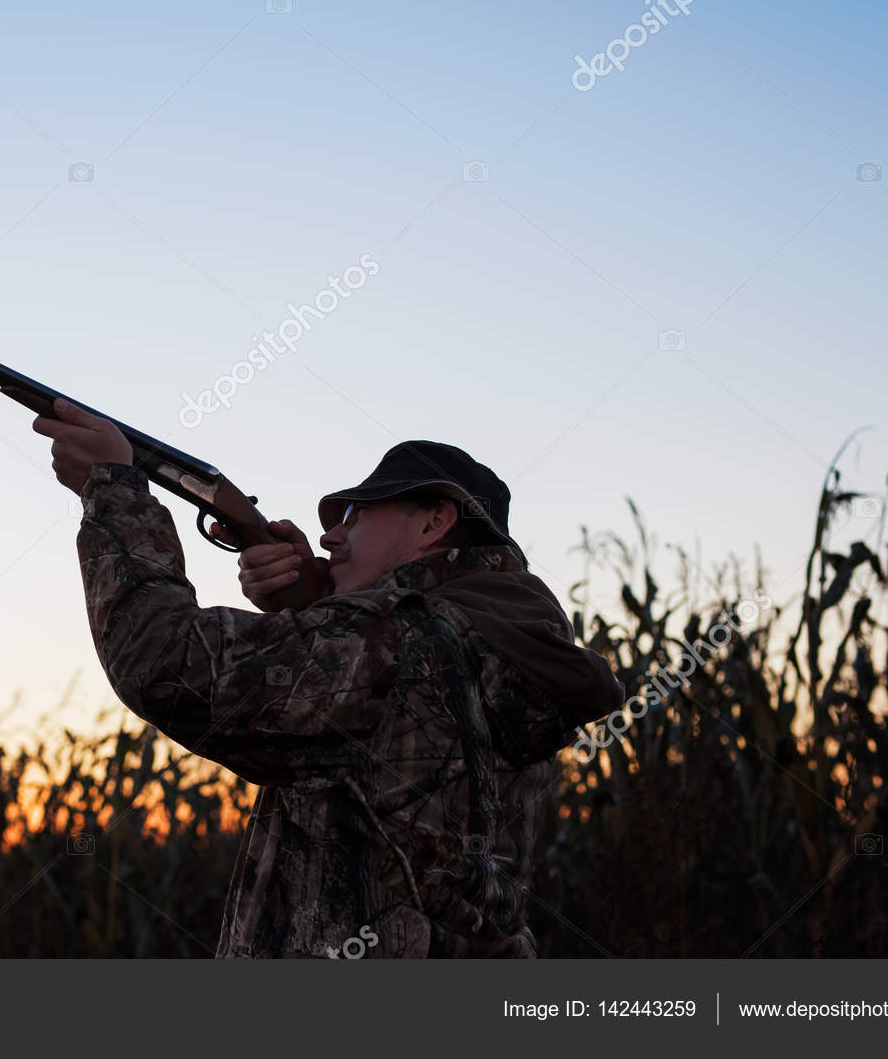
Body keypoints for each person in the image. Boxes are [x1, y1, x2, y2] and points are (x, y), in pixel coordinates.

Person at [31, 399, 622, 958]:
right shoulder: (507, 644)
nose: (329, 535)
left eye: (356, 515)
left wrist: (114, 488)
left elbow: (158, 660)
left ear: (435, 523)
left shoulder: (395, 642)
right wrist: (313, 609)